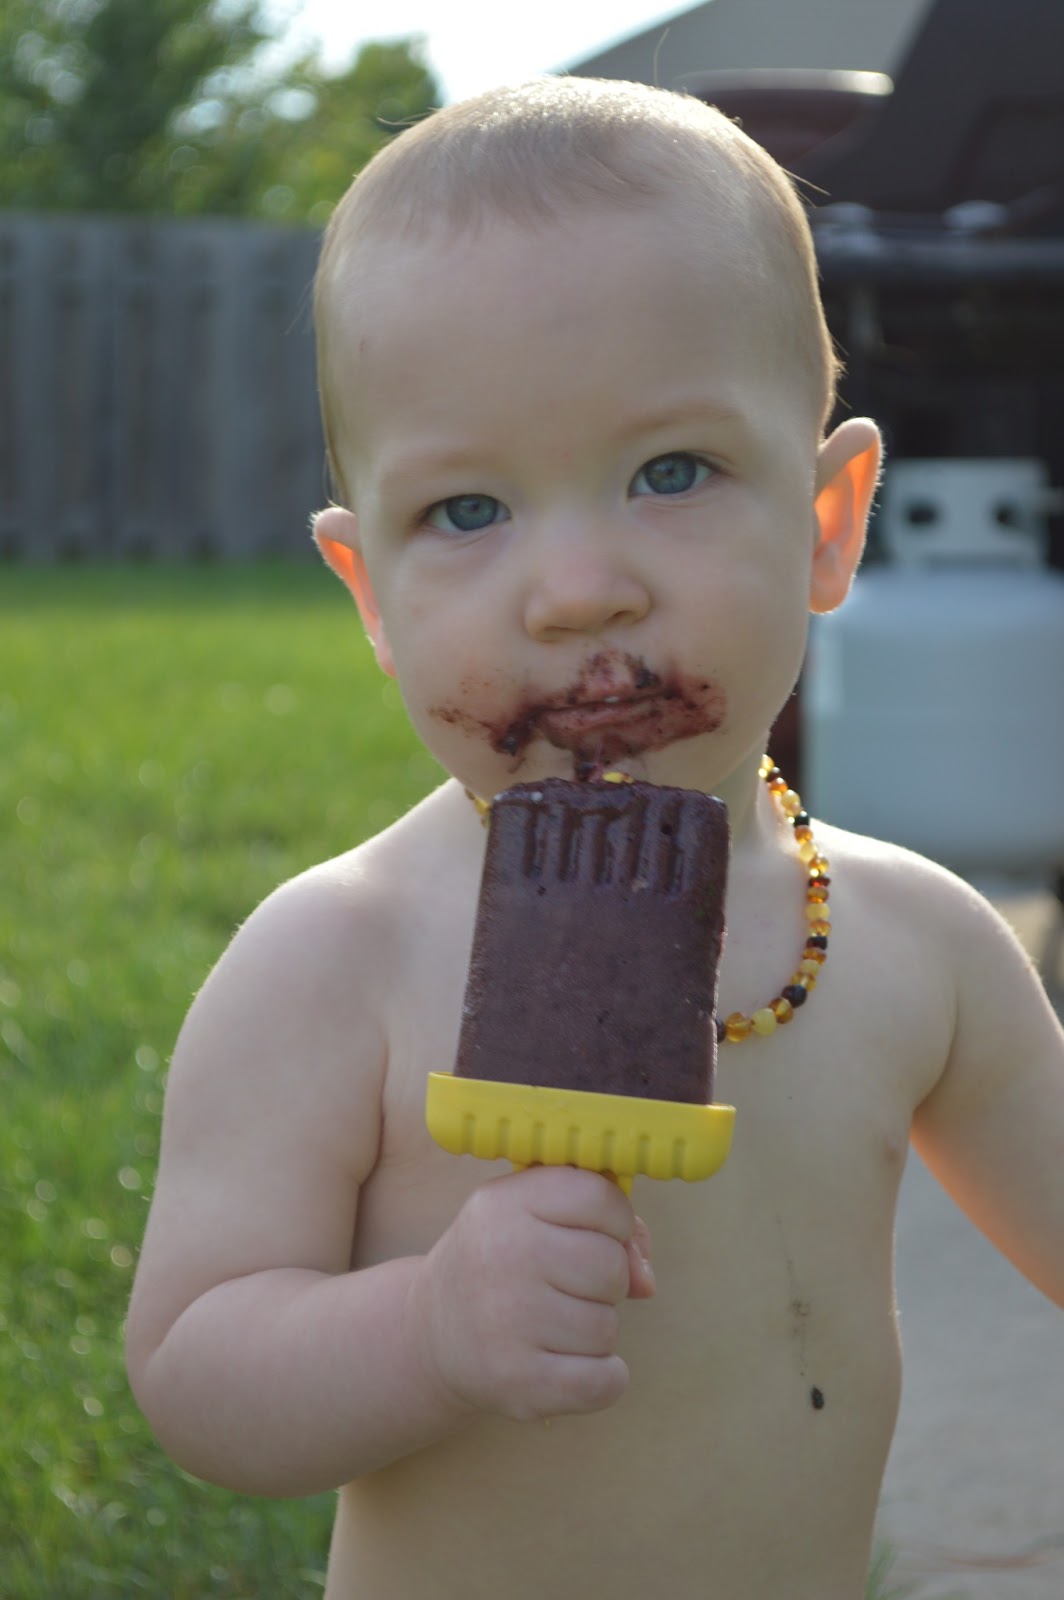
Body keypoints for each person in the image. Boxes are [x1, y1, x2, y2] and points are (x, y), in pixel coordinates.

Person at [125, 77, 1064, 1600]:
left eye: (670, 472)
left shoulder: (923, 944)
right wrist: (426, 1329)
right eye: (470, 507)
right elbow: (191, 1372)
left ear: (828, 524)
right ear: (369, 595)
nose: (576, 591)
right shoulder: (335, 959)